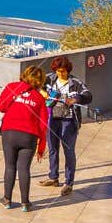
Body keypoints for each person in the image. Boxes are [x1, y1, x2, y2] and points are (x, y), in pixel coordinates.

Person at [0, 64, 48, 212]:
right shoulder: (39, 98)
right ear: (40, 81)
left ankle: (7, 200)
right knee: (24, 168)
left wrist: (15, 93)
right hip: (29, 136)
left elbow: (0, 107)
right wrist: (41, 147)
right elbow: (44, 124)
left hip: (9, 132)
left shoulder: (12, 87)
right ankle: (25, 203)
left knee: (10, 166)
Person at [39, 56, 92, 196]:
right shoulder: (49, 78)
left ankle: (69, 182)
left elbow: (88, 95)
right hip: (52, 118)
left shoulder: (75, 82)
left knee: (69, 151)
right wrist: (42, 92)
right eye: (58, 71)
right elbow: (37, 86)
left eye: (63, 71)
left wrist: (75, 99)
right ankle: (53, 176)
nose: (60, 74)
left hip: (68, 121)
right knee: (52, 149)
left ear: (68, 70)